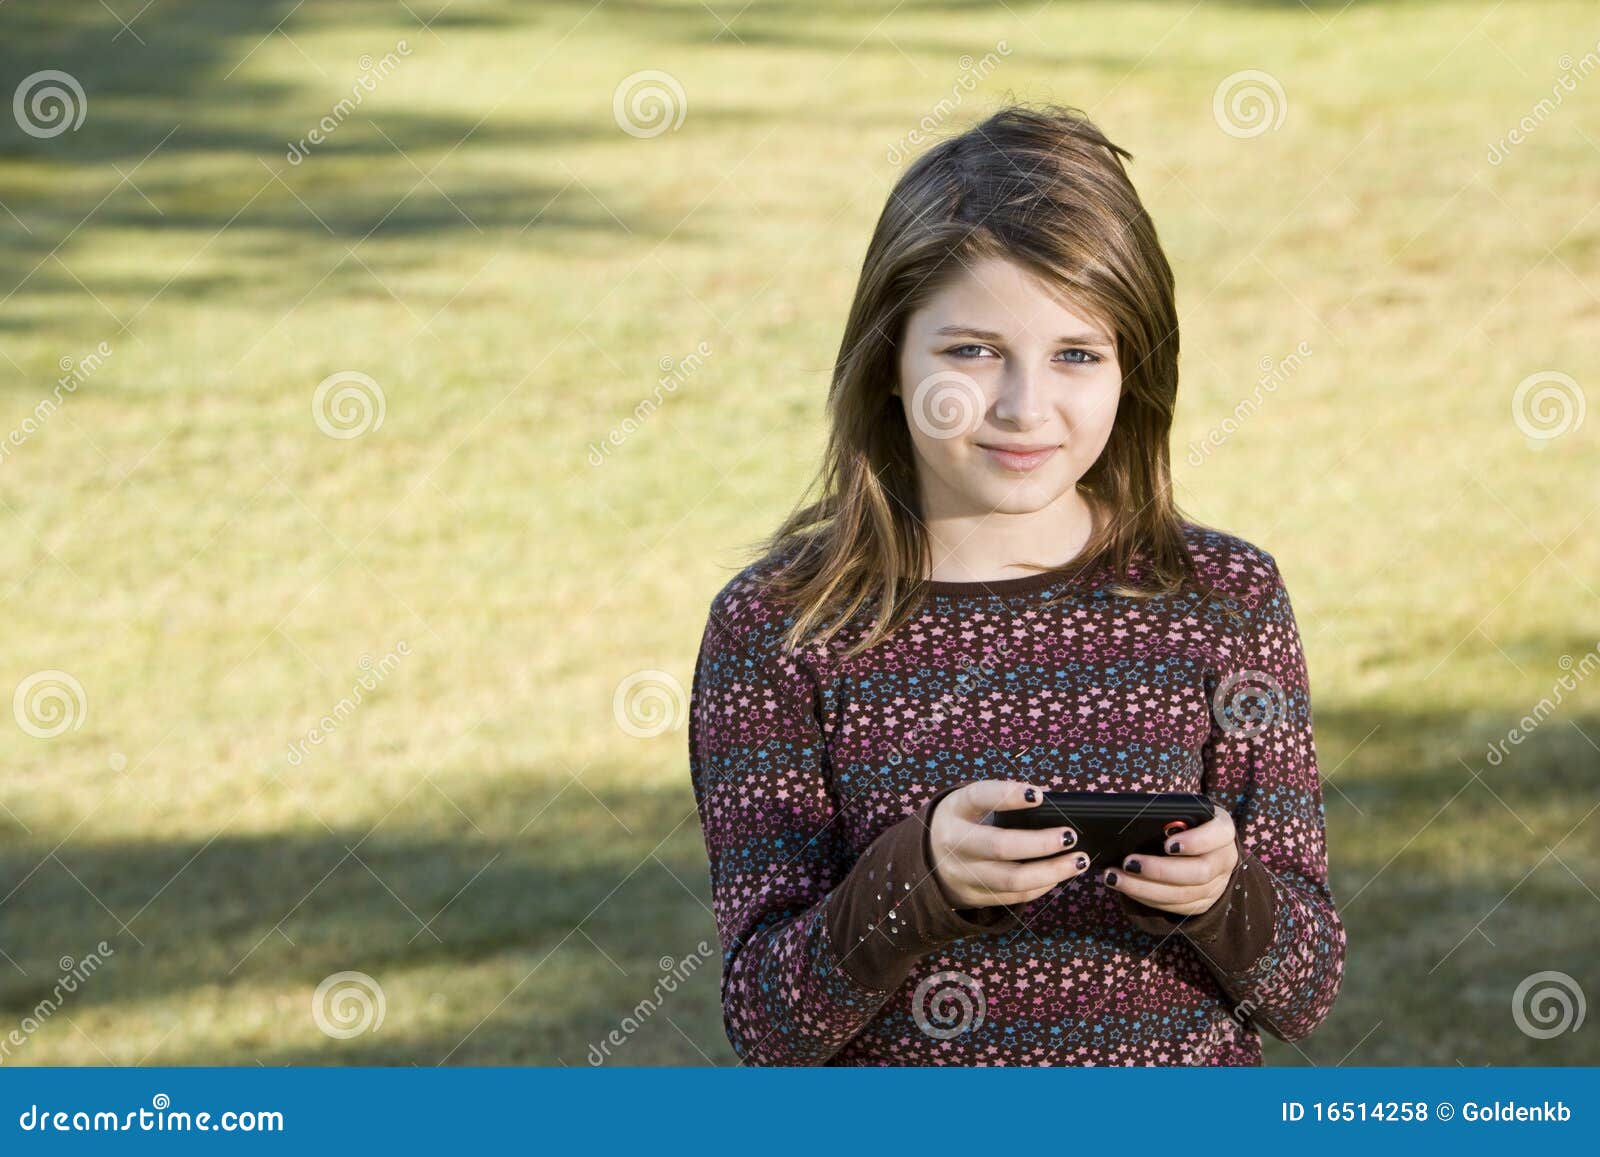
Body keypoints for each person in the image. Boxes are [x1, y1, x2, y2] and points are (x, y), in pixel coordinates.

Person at [686, 103, 1345, 1066]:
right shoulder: (780, 626)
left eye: (1077, 354)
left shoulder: (1223, 598)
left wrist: (1223, 895)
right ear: (890, 358)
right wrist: (917, 884)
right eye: (972, 350)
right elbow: (767, 1026)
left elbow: (1306, 985)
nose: (1023, 406)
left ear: (1135, 370)